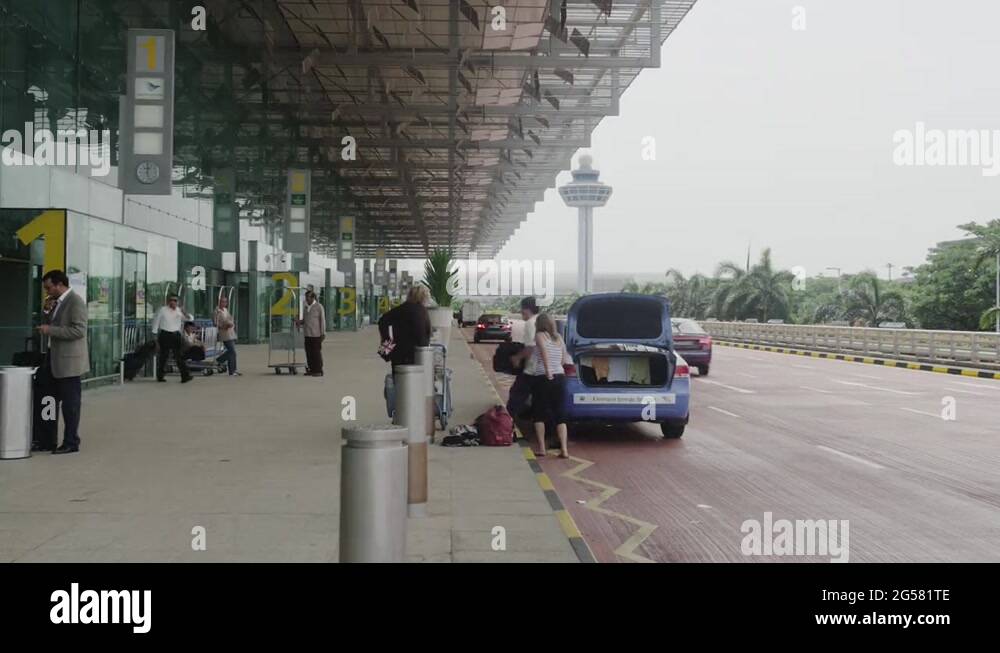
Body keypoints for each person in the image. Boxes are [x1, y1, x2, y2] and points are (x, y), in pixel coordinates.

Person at [35, 270, 89, 454]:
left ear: (60, 284)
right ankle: (46, 439)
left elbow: (78, 331)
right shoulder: (57, 302)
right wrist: (46, 312)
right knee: (47, 400)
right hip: (52, 358)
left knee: (70, 404)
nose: (47, 291)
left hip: (69, 363)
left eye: (49, 287)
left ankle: (71, 441)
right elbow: (51, 324)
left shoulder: (75, 302)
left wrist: (51, 330)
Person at [527, 313, 569, 459]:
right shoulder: (559, 338)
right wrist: (556, 369)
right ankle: (564, 449)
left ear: (540, 323)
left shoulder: (540, 335)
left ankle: (542, 448)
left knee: (539, 413)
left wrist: (547, 370)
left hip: (543, 377)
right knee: (560, 414)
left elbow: (544, 352)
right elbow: (563, 359)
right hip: (560, 377)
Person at [377, 285, 431, 370]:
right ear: (423, 297)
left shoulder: (400, 308)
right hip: (415, 355)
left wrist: (388, 340)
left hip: (398, 354)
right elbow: (422, 334)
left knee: (399, 380)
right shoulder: (421, 311)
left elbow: (382, 321)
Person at [506, 296, 540, 419]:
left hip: (532, 369)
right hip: (545, 369)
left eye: (521, 309)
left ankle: (508, 425)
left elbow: (531, 347)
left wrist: (517, 358)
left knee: (515, 396)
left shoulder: (531, 323)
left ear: (526, 309)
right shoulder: (542, 321)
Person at [152, 294, 192, 383]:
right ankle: (160, 376)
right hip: (165, 334)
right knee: (164, 356)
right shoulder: (163, 310)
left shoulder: (178, 310)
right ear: (168, 301)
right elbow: (156, 322)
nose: (173, 302)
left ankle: (185, 376)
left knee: (179, 356)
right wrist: (154, 335)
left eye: (175, 301)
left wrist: (184, 312)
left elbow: (189, 319)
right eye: (171, 300)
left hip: (175, 334)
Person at [300, 290, 326, 376]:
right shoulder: (306, 307)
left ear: (313, 297)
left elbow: (322, 321)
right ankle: (311, 369)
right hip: (307, 334)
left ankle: (318, 370)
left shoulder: (319, 307)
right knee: (309, 353)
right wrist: (299, 322)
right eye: (306, 297)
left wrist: (323, 333)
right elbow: (305, 320)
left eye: (308, 297)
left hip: (316, 334)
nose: (306, 299)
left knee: (316, 353)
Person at [214, 295, 240, 376]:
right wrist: (223, 326)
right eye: (222, 301)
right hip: (224, 333)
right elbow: (215, 323)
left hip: (230, 332)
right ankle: (230, 369)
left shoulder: (225, 310)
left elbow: (230, 318)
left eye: (225, 302)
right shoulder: (217, 311)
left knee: (232, 352)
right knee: (232, 351)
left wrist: (230, 323)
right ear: (219, 302)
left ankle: (232, 370)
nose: (224, 303)